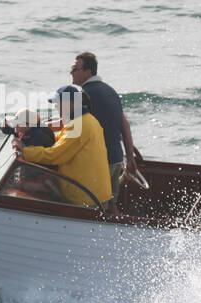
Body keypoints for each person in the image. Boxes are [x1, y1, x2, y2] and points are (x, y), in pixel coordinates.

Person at [14, 85, 112, 207]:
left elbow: (54, 156)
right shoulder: (87, 120)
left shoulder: (78, 126)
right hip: (94, 190)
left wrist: (25, 150)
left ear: (69, 103)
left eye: (57, 103)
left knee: (24, 185)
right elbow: (59, 141)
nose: (56, 107)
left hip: (85, 197)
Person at [69, 51, 141, 200]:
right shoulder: (111, 91)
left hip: (99, 163)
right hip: (116, 159)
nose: (71, 72)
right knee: (110, 202)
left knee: (90, 202)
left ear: (88, 72)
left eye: (75, 69)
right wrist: (130, 158)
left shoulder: (82, 94)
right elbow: (125, 126)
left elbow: (69, 128)